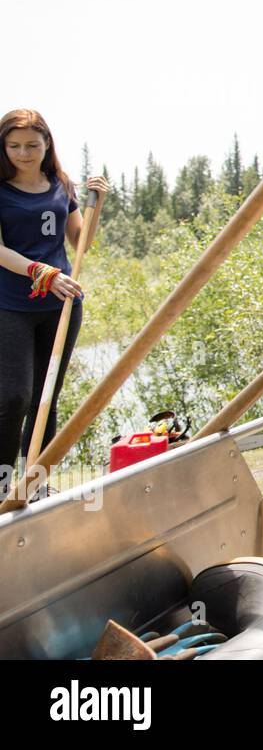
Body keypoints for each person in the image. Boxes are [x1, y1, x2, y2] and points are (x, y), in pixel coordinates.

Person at [0, 109, 109, 498]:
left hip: (61, 304)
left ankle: (36, 484)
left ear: (47, 143)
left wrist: (97, 207)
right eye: (14, 146)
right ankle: (1, 483)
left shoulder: (62, 184)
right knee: (14, 396)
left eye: (32, 144)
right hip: (10, 305)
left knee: (46, 397)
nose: (23, 153)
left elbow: (80, 243)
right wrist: (42, 272)